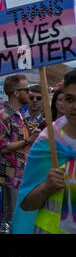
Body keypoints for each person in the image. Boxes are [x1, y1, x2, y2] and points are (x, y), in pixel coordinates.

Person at [16, 69, 76, 234]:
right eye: (70, 99)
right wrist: (46, 187)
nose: (75, 106)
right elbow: (26, 204)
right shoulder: (48, 142)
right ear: (62, 102)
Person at [0, 73, 38, 234]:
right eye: (26, 89)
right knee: (8, 221)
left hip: (20, 173)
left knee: (17, 218)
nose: (29, 93)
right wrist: (27, 140)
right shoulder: (3, 116)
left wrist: (31, 136)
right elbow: (3, 146)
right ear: (16, 93)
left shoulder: (19, 115)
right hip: (8, 175)